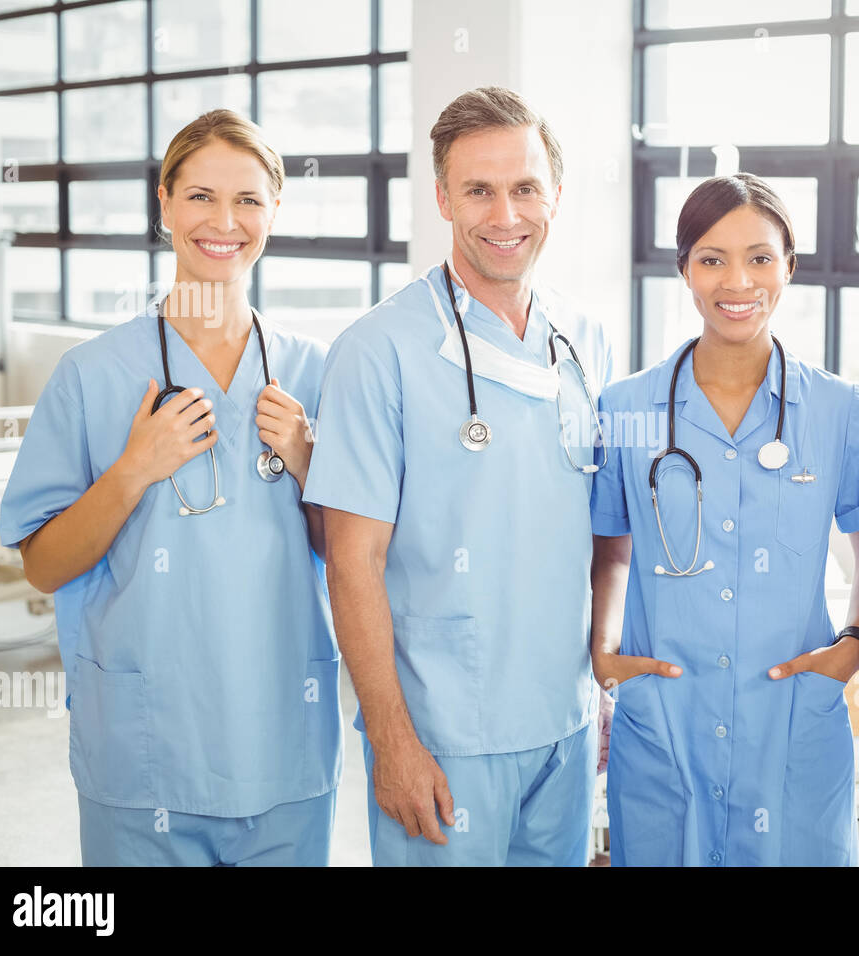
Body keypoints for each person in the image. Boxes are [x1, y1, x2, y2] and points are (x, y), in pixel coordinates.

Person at [0, 109, 343, 866]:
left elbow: (351, 556)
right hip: (145, 747)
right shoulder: (92, 375)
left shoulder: (316, 372)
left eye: (249, 199)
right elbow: (44, 564)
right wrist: (134, 470)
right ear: (164, 203)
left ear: (275, 210)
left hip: (280, 738)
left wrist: (306, 463)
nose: (225, 221)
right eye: (200, 197)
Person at [303, 87, 612, 866]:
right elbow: (352, 560)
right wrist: (393, 741)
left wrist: (598, 688)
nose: (505, 214)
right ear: (442, 198)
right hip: (445, 733)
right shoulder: (379, 351)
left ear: (555, 196)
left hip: (564, 726)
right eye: (478, 190)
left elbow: (597, 531)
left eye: (525, 188)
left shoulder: (583, 340)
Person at [589, 174, 859, 866]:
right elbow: (611, 552)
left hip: (790, 715)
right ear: (684, 271)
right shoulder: (625, 407)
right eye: (711, 258)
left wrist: (852, 647)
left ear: (790, 266)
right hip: (667, 712)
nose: (738, 281)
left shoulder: (838, 410)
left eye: (760, 258)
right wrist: (605, 656)